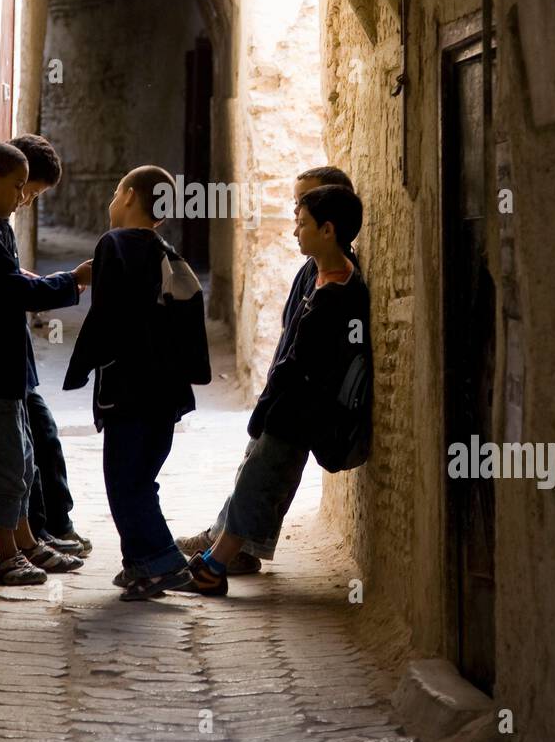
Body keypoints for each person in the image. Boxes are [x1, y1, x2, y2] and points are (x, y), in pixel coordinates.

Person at [183, 182, 370, 596]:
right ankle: (220, 556)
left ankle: (214, 567)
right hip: (290, 409)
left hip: (296, 413)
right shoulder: (321, 278)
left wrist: (268, 407)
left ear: (328, 230)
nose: (294, 232)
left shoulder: (336, 294)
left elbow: (305, 366)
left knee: (257, 481)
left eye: (302, 224)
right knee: (256, 476)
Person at [63, 165, 211, 602]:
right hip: (165, 395)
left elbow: (108, 317)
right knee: (141, 479)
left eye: (113, 192)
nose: (111, 202)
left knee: (123, 482)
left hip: (129, 391)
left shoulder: (114, 243)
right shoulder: (168, 253)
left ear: (128, 196)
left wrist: (81, 367)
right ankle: (140, 569)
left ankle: (161, 564)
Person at [0, 132, 91, 558]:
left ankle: (31, 540)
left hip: (8, 370)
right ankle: (13, 552)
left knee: (24, 458)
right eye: (21, 189)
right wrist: (72, 282)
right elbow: (9, 289)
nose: (23, 200)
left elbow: (12, 279)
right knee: (5, 462)